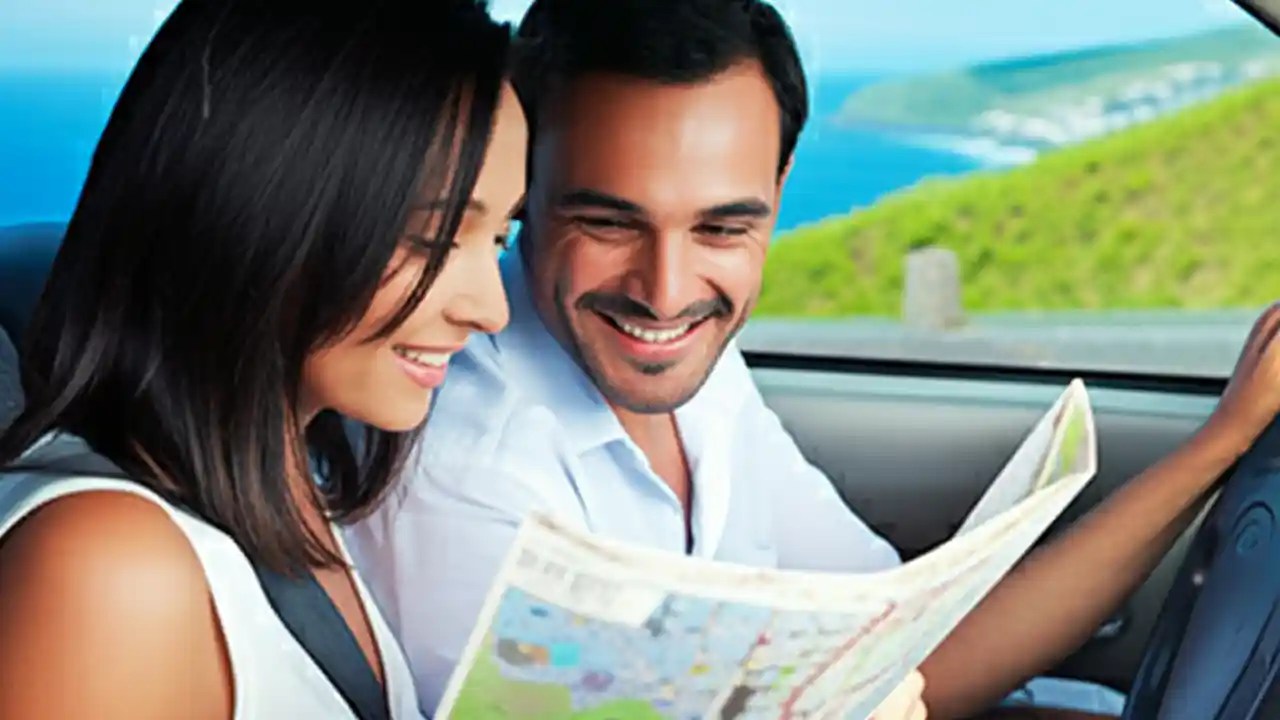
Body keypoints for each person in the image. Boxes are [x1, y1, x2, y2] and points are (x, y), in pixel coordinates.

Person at [345, 0, 1280, 718]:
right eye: (607, 221)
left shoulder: (696, 381)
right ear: (523, 188)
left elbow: (914, 648)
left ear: (779, 190)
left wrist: (1222, 441)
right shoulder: (462, 467)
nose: (665, 292)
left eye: (722, 226)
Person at [0, 0, 526, 717]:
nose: (490, 310)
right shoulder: (111, 569)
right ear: (259, 212)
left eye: (499, 239)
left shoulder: (292, 481)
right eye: (434, 240)